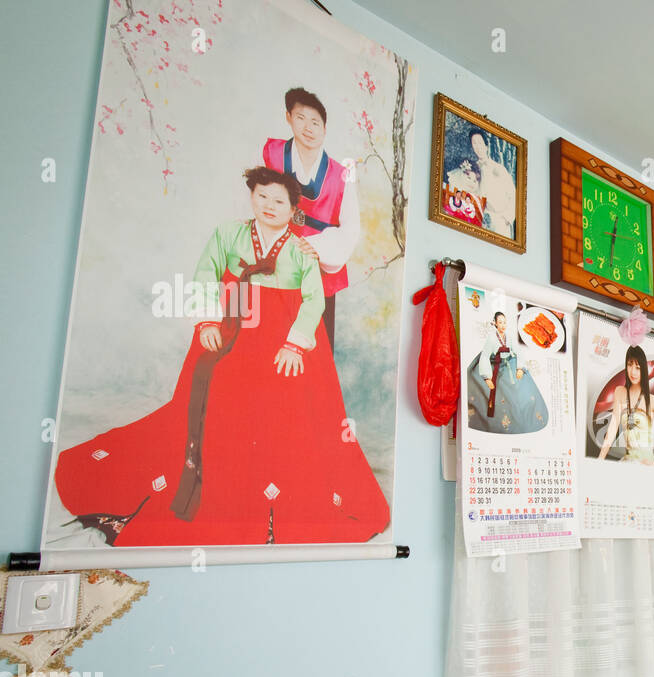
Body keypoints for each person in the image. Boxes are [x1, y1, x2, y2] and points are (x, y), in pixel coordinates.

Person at [54, 167, 390, 546]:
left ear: (293, 208)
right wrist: (207, 323)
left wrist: (295, 344)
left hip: (284, 342)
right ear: (252, 196)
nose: (269, 205)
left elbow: (313, 300)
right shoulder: (229, 234)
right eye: (262, 196)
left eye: (279, 200)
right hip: (232, 333)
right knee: (217, 398)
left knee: (289, 412)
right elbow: (204, 275)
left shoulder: (300, 248)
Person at [262, 87, 359, 354]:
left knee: (314, 349)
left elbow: (352, 227)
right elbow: (257, 201)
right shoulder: (272, 153)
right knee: (269, 340)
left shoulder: (342, 174)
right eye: (301, 118)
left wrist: (316, 247)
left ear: (325, 129)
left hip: (319, 266)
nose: (308, 127)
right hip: (276, 259)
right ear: (288, 117)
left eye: (315, 122)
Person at [465, 311, 547, 434]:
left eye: (504, 322)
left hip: (509, 364)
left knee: (522, 393)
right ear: (495, 323)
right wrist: (487, 377)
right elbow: (485, 357)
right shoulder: (492, 338)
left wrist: (519, 368)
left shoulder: (509, 337)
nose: (503, 325)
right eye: (500, 322)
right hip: (493, 365)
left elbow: (518, 351)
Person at [597, 345, 654, 466]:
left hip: (647, 466)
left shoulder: (652, 400)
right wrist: (600, 460)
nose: (633, 372)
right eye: (630, 365)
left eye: (638, 367)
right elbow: (612, 429)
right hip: (627, 462)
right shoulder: (620, 392)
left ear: (643, 369)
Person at [471, 131, 516, 239]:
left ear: (486, 146)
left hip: (500, 221)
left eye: (480, 143)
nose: (478, 147)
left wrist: (506, 219)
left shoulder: (499, 168)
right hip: (481, 221)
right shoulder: (471, 169)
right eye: (474, 143)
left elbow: (513, 194)